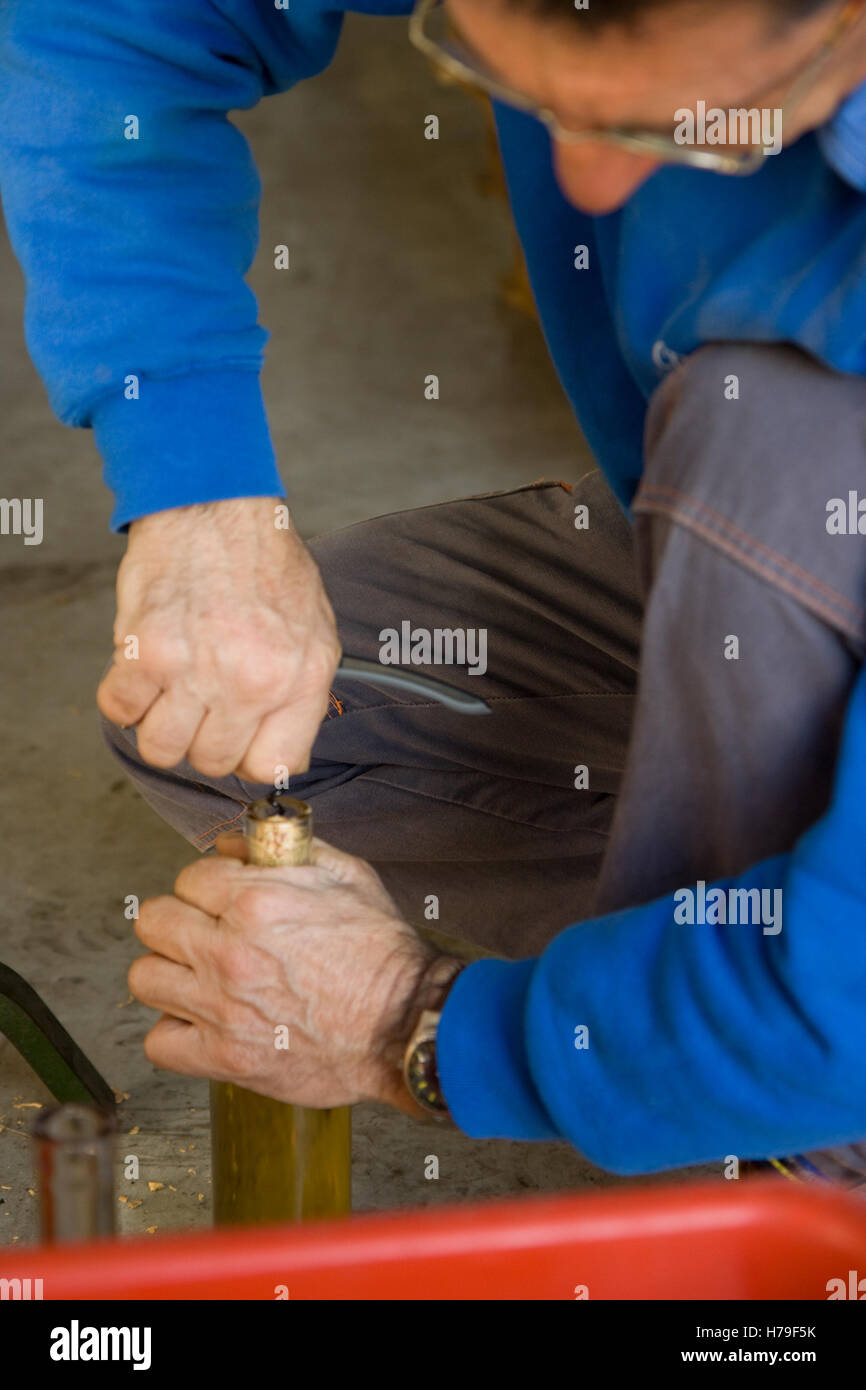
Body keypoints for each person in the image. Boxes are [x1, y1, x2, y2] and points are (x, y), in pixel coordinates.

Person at [2, 0, 866, 1180]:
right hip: (692, 541)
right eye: (506, 80)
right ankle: (716, 1011)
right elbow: (108, 18)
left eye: (694, 130)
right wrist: (196, 492)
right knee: (234, 722)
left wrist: (407, 1024)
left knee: (772, 445)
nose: (587, 188)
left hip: (783, 495)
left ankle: (787, 1101)